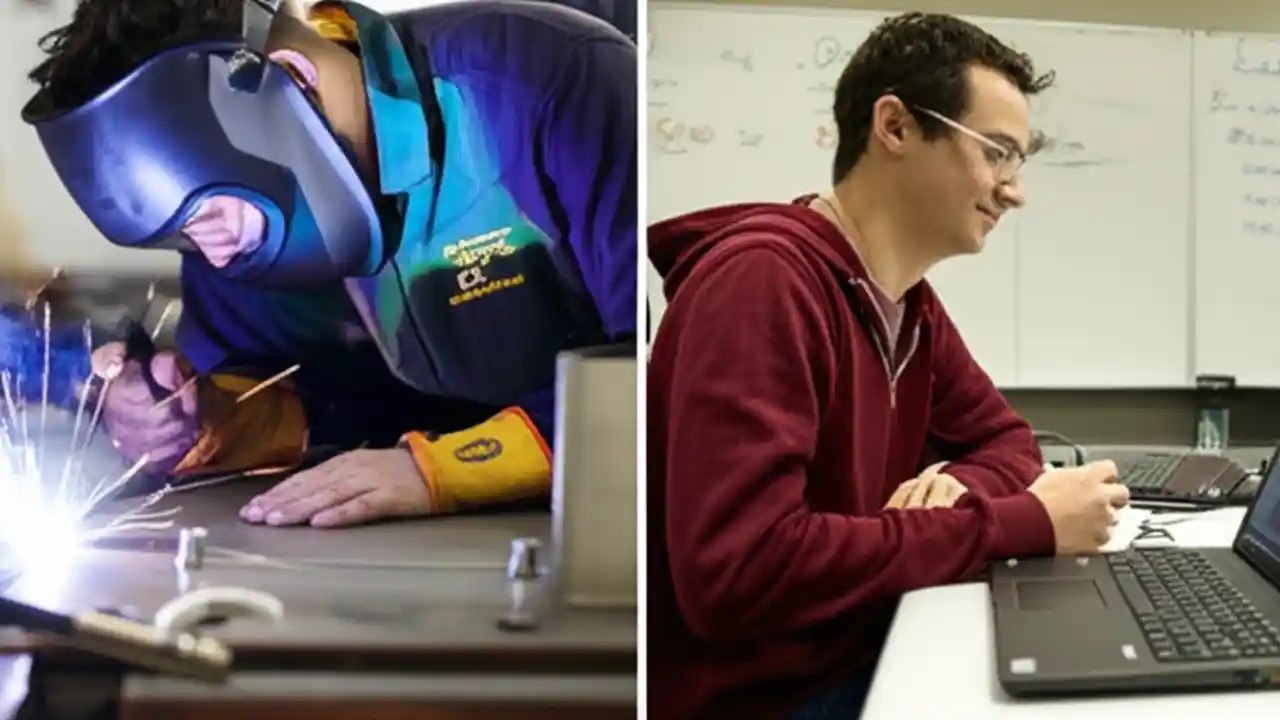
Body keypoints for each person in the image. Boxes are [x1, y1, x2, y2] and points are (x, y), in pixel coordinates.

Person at [646, 13, 1129, 720]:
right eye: (995, 153)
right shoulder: (762, 285)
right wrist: (1020, 522)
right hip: (772, 699)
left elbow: (1008, 442)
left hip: (862, 646)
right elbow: (739, 572)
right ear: (895, 127)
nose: (1013, 189)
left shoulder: (907, 304)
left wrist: (961, 489)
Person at [22, 0, 636, 528]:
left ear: (294, 79)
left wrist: (444, 468)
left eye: (212, 214)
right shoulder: (234, 223)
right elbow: (324, 395)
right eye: (186, 234)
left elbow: (650, 375)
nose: (216, 253)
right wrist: (200, 423)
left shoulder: (547, 84)